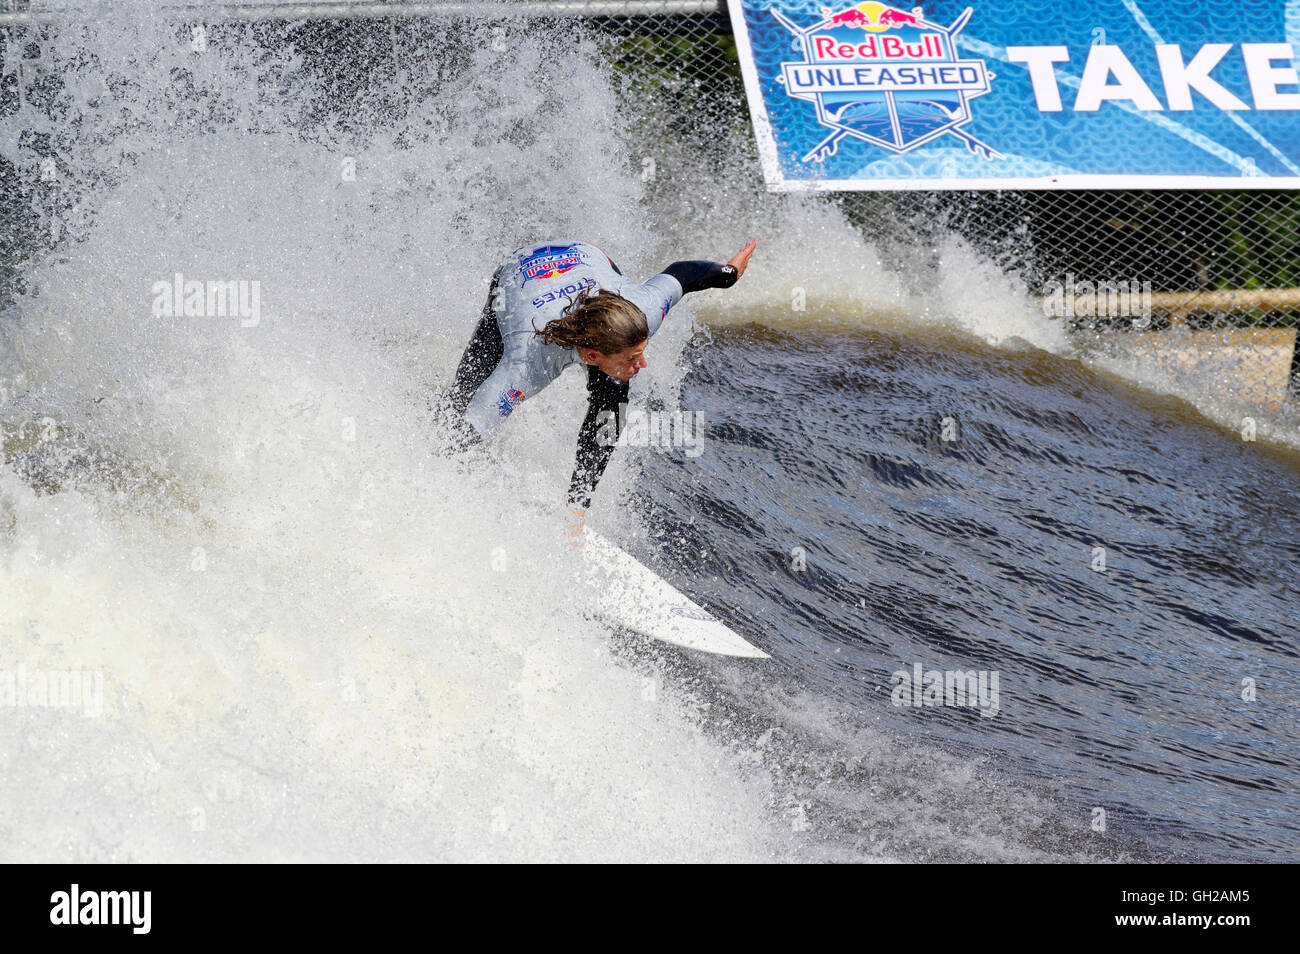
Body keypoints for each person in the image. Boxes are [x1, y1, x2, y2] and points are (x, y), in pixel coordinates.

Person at [446, 238, 757, 536]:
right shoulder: (526, 363)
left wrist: (728, 274)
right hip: (518, 274)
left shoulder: (642, 310)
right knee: (463, 397)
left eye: (641, 353)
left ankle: (577, 504)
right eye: (634, 357)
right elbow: (465, 433)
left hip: (583, 257)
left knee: (613, 393)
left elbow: (684, 274)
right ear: (591, 356)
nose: (643, 364)